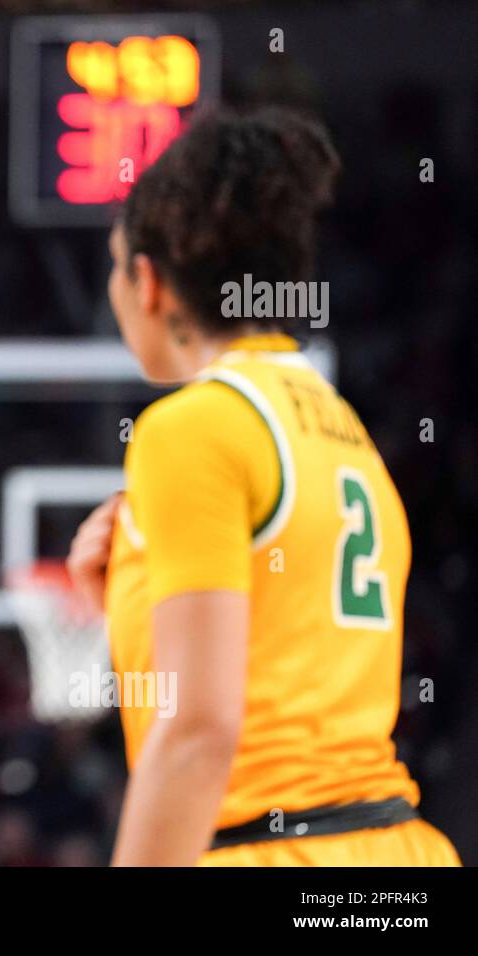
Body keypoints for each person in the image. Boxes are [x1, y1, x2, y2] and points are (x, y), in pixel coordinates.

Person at [67, 108, 460, 866]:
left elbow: (199, 729)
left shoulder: (193, 425)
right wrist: (122, 596)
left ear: (148, 282)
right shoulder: (346, 434)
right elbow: (285, 652)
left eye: (116, 266)